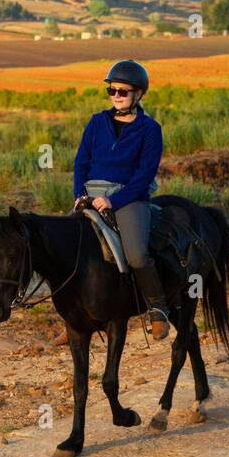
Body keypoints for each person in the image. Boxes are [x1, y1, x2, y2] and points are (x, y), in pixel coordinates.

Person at [72, 59, 170, 340]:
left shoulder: (151, 129)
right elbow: (81, 162)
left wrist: (114, 200)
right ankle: (76, 318)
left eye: (122, 91)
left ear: (138, 94)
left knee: (137, 255)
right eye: (111, 91)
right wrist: (80, 195)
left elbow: (144, 175)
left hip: (129, 197)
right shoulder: (95, 123)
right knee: (67, 247)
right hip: (90, 194)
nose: (116, 96)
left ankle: (158, 309)